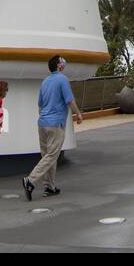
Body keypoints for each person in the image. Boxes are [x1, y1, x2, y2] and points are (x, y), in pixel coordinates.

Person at [23, 55, 82, 200]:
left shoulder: (45, 81)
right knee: (51, 155)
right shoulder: (62, 79)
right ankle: (30, 180)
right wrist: (78, 114)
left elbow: (40, 104)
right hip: (55, 124)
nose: (64, 63)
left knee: (47, 156)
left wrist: (44, 117)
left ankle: (49, 187)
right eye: (62, 61)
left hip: (42, 123)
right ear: (58, 65)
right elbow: (69, 100)